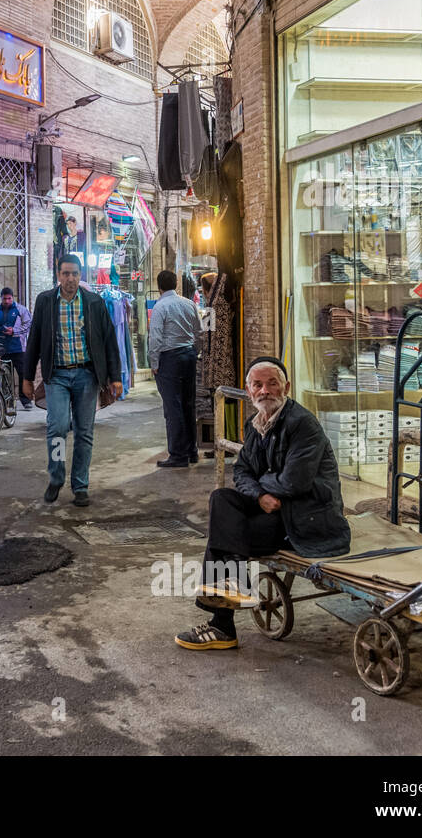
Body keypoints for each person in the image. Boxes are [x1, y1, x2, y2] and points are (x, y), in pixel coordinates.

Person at [175, 357, 351, 650]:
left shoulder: (302, 424)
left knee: (224, 534)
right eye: (258, 384)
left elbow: (294, 483)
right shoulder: (256, 424)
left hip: (306, 522)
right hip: (276, 513)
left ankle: (223, 625)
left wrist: (262, 486)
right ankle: (231, 592)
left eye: (272, 383)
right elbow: (241, 471)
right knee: (221, 499)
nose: (265, 390)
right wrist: (259, 495)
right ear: (249, 389)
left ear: (287, 388)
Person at [22, 254, 123, 507]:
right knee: (57, 427)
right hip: (56, 375)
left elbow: (110, 340)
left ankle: (80, 484)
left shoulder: (94, 302)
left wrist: (115, 376)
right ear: (58, 275)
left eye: (75, 274)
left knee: (84, 432)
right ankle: (56, 476)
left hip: (86, 376)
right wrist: (26, 376)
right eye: (65, 273)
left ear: (80, 275)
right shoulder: (45, 301)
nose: (70, 278)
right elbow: (34, 340)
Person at [149, 269, 202, 467]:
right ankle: (191, 451)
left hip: (169, 358)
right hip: (188, 356)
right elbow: (199, 332)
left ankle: (178, 455)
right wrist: (195, 352)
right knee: (188, 404)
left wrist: (154, 363)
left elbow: (155, 337)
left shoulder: (160, 307)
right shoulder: (189, 304)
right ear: (176, 285)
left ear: (159, 286)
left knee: (173, 407)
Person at [0, 287, 33, 409]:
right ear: (1, 298)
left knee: (23, 374)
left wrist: (14, 331)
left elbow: (29, 324)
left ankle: (26, 400)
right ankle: (7, 400)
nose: (7, 301)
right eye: (4, 299)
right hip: (2, 349)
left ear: (13, 298)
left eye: (9, 298)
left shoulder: (21, 310)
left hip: (19, 348)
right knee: (5, 375)